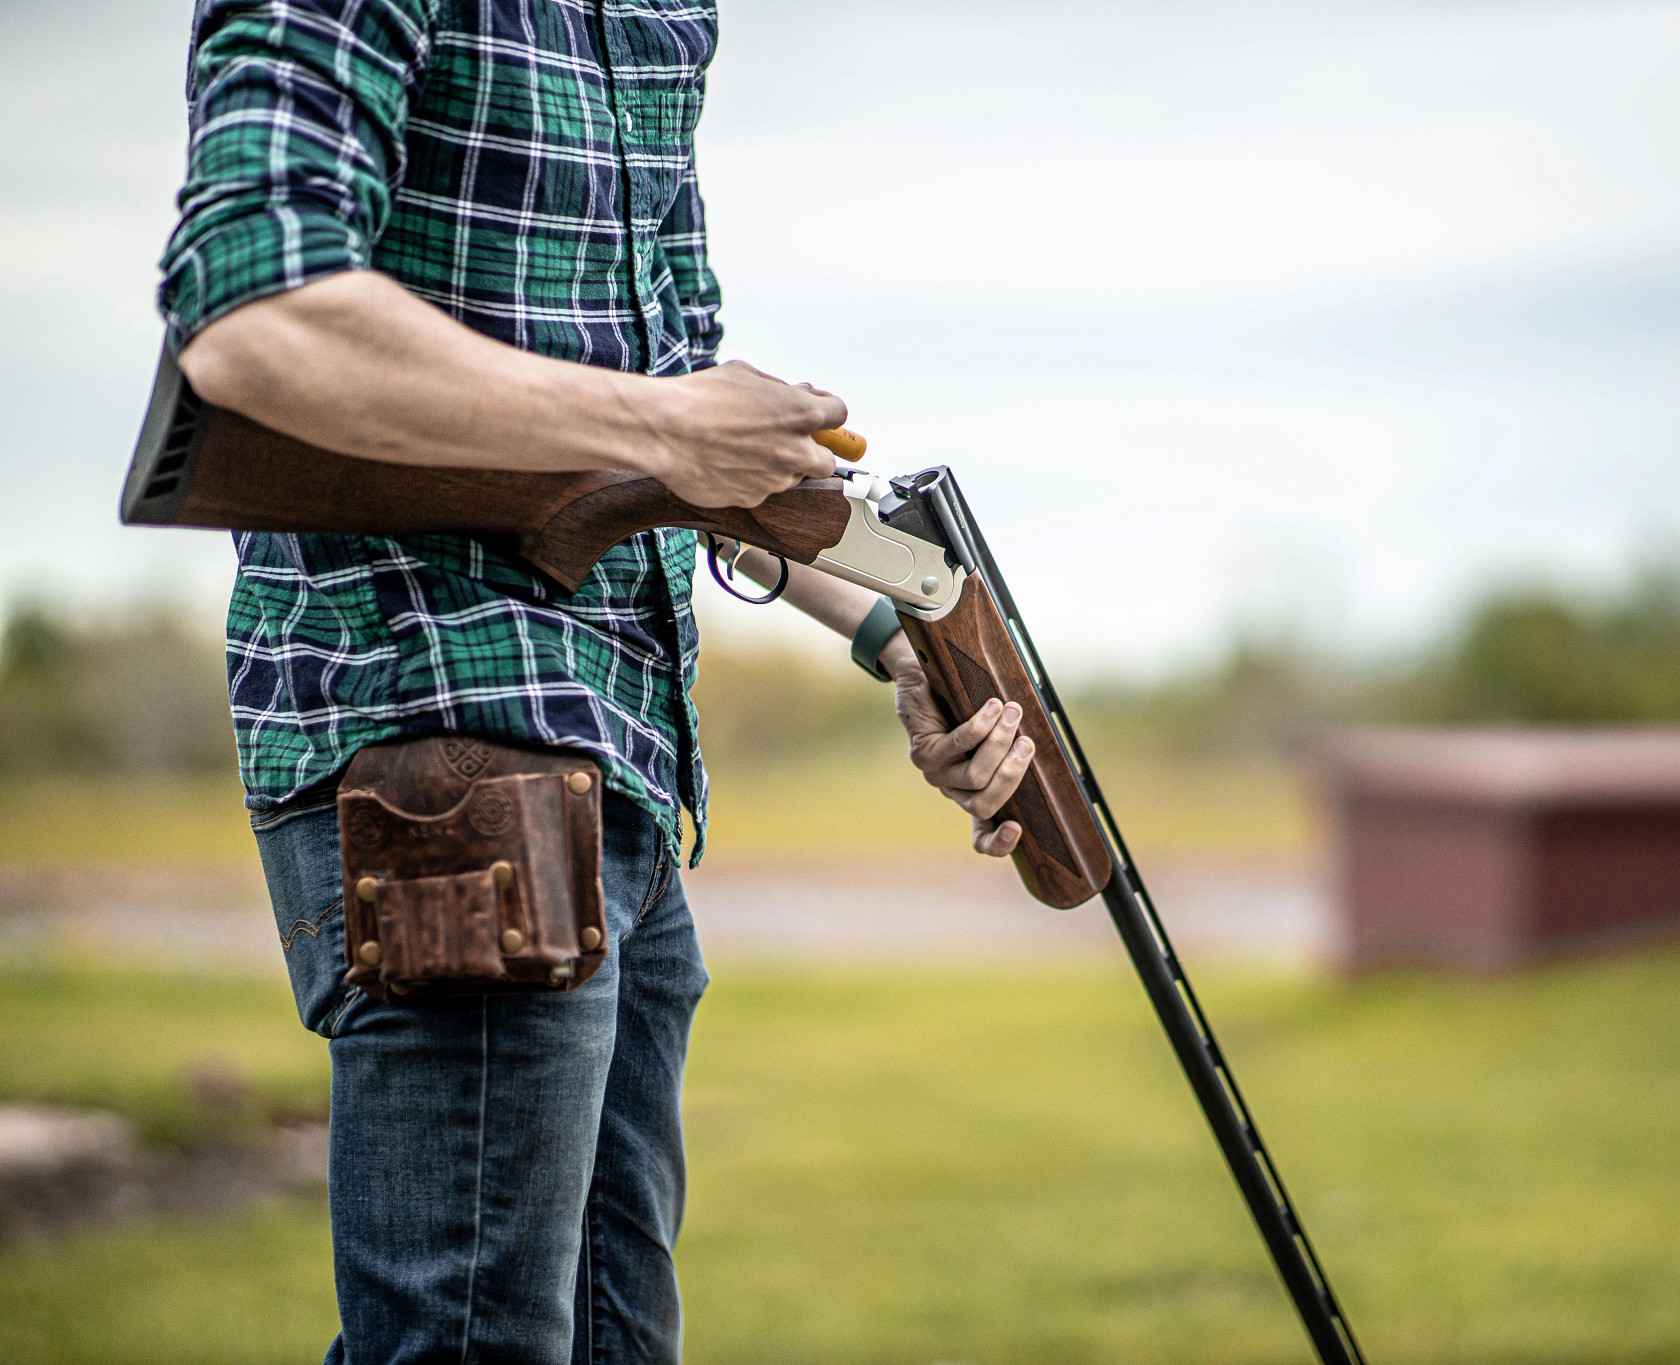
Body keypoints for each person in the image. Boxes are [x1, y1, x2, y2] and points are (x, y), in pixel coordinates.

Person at [159, 3, 1031, 1360]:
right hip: (446, 750)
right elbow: (253, 311)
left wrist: (893, 628)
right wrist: (672, 419)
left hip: (622, 766)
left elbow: (643, 470)